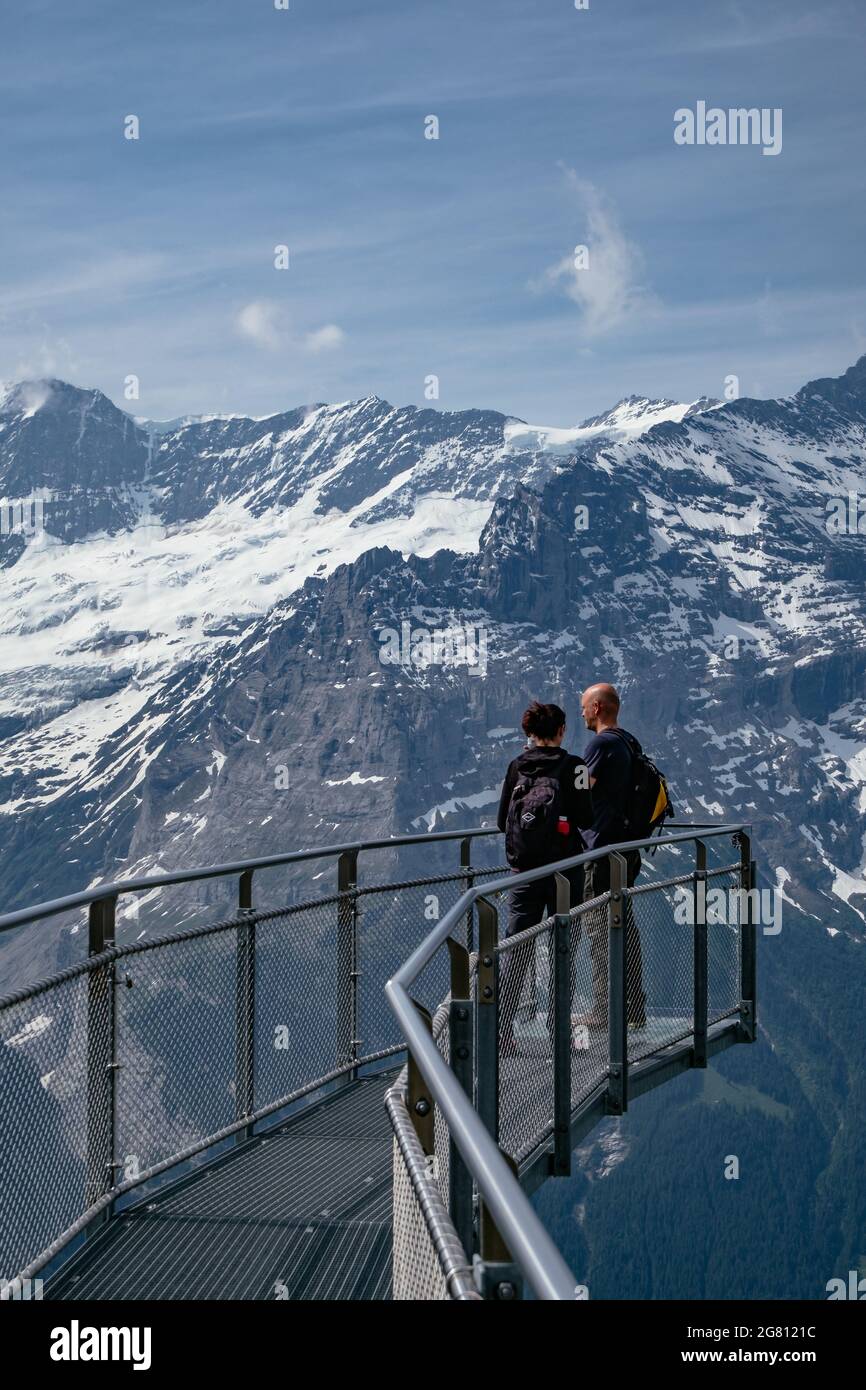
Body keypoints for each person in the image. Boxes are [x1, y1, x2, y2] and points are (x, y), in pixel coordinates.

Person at [496, 700, 594, 1056]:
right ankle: (559, 1033)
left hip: (523, 873)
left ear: (529, 733)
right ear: (561, 731)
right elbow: (585, 816)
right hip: (565, 872)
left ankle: (502, 1032)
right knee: (563, 950)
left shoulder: (516, 766)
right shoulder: (575, 766)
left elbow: (500, 821)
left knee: (514, 951)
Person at [577, 682, 647, 1030]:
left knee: (600, 932)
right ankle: (635, 1009)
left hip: (602, 852)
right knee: (625, 928)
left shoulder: (601, 744)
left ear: (598, 708)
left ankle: (603, 1012)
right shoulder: (628, 742)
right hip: (626, 850)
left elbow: (578, 793)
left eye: (585, 706)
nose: (581, 713)